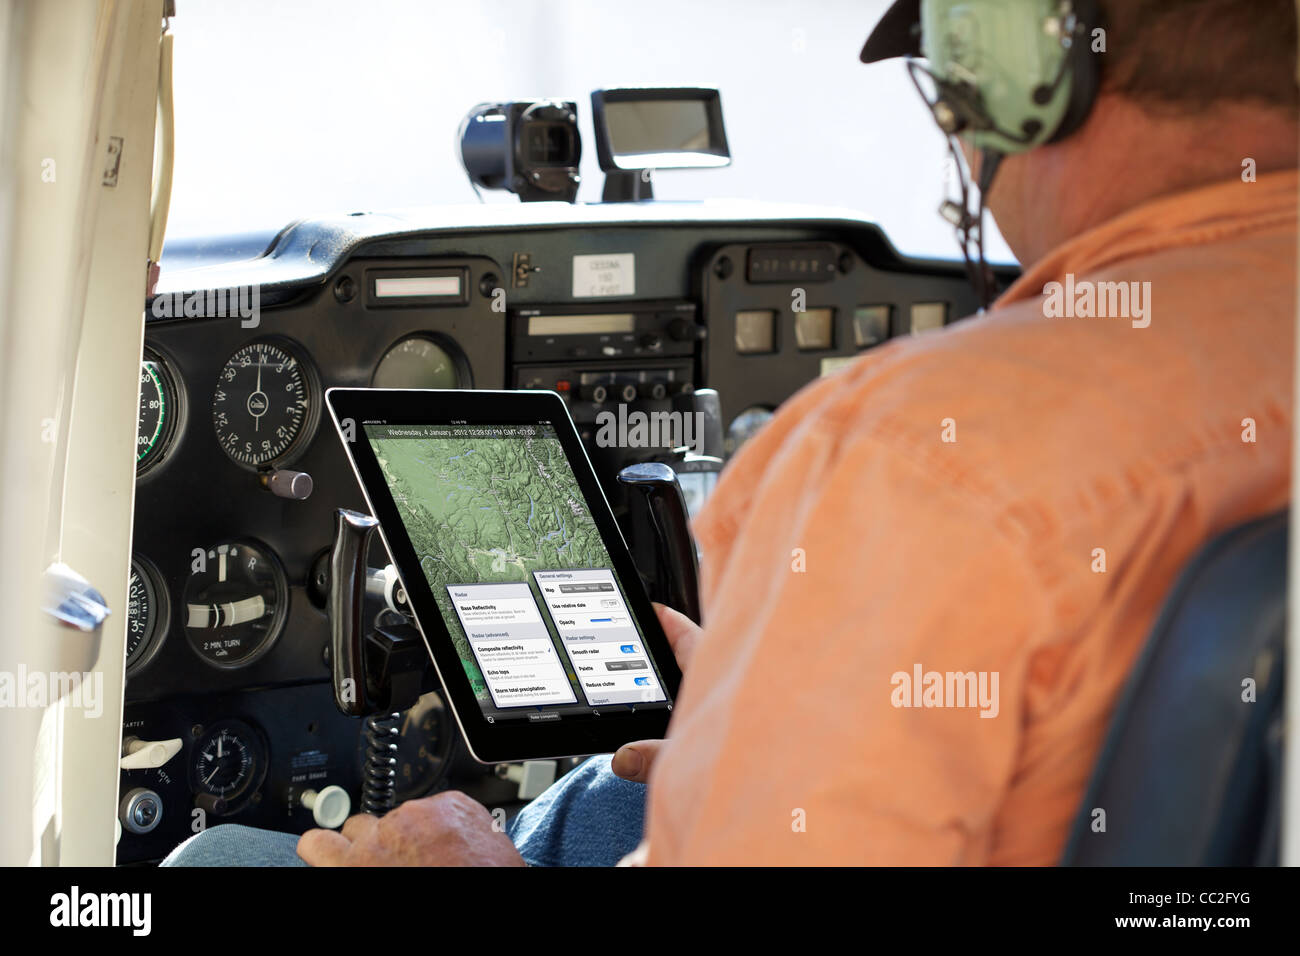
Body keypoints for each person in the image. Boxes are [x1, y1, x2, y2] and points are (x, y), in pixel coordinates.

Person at [166, 0, 1300, 866]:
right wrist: (778, 702)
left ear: (1022, 69)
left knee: (220, 854)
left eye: (949, 69)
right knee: (615, 794)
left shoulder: (916, 456)